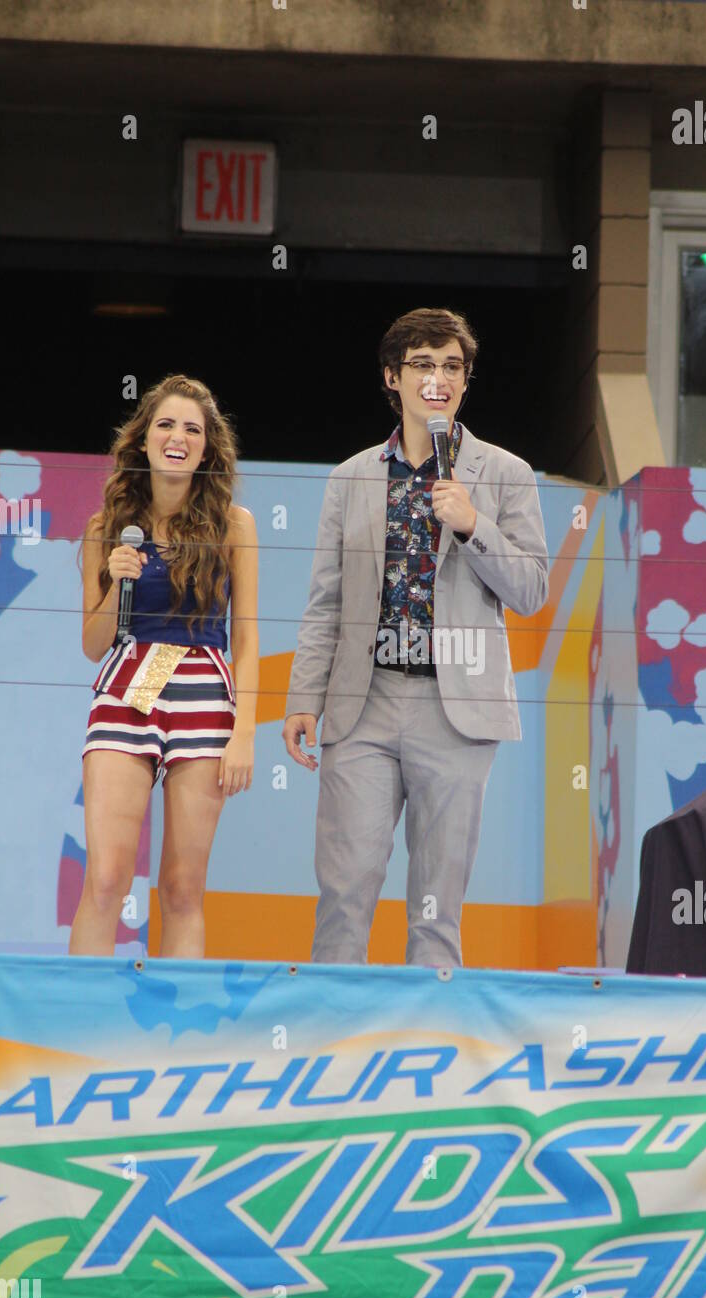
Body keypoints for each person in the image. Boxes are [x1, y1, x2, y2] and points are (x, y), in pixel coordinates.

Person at [282, 307, 548, 966]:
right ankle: (330, 1047)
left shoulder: (503, 474)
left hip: (456, 709)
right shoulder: (350, 478)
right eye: (423, 364)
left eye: (452, 366)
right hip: (362, 702)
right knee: (345, 889)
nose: (439, 377)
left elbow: (532, 590)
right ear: (392, 377)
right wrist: (301, 698)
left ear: (465, 382)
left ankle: (427, 1054)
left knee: (437, 906)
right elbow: (326, 602)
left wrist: (472, 524)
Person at [69, 374, 258, 957]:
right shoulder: (107, 526)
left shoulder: (234, 524)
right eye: (166, 424)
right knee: (105, 879)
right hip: (127, 688)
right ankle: (79, 1031)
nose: (178, 437)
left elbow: (247, 639)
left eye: (192, 429)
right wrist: (114, 583)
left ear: (208, 447)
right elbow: (93, 643)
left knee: (182, 887)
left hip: (204, 693)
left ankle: (175, 1048)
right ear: (145, 438)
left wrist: (244, 733)